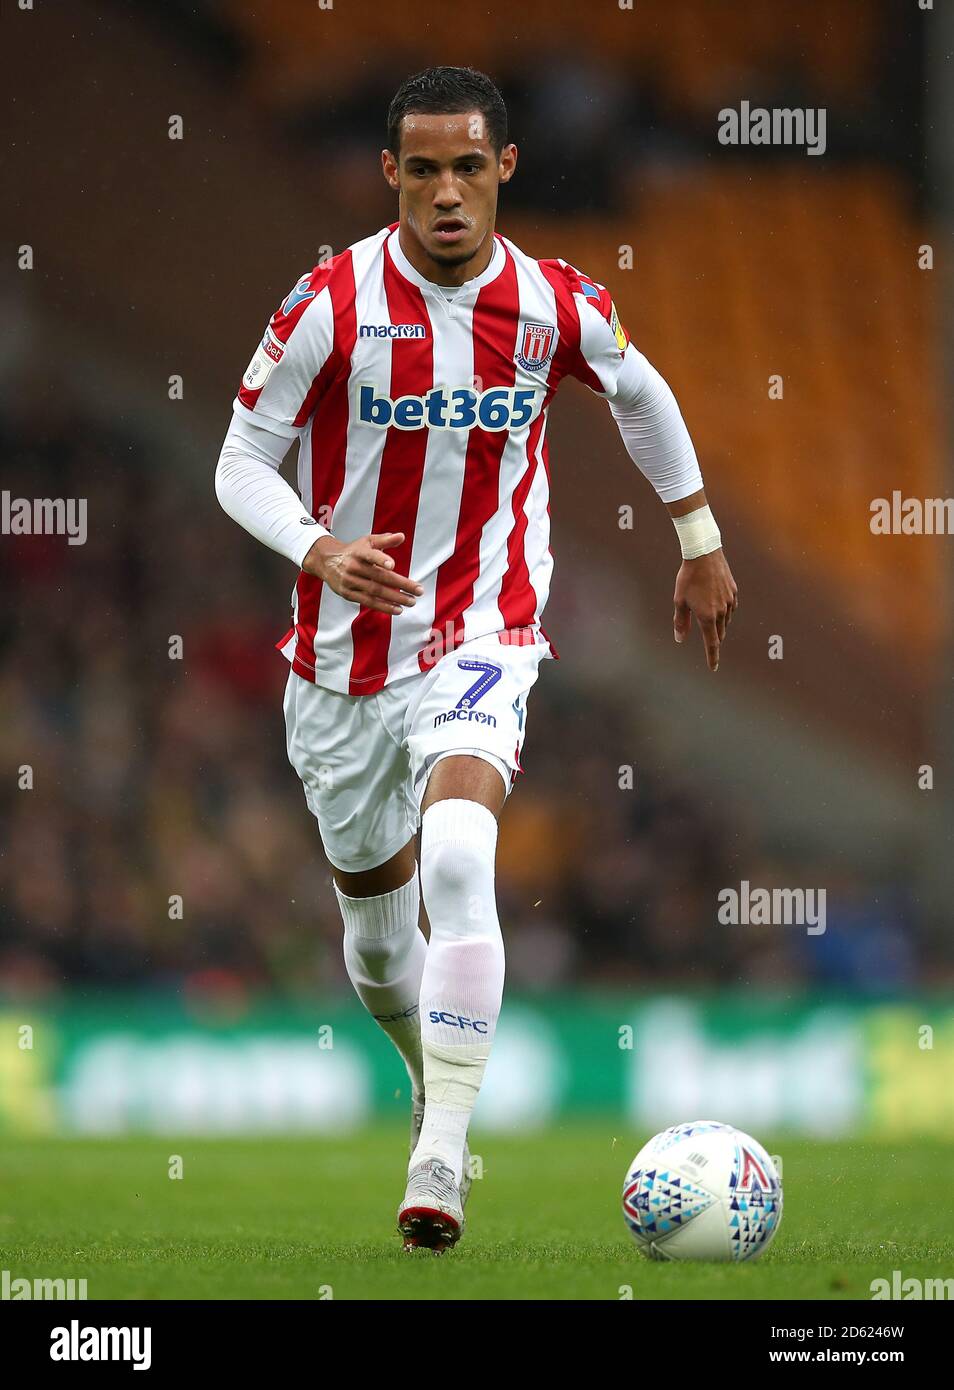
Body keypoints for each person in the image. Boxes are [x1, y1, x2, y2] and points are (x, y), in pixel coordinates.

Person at [215, 65, 738, 1253]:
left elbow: (642, 391)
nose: (446, 191)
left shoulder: (551, 304)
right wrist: (319, 546)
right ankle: (428, 1075)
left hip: (483, 630)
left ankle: (442, 1154)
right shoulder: (326, 305)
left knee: (460, 849)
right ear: (390, 174)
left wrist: (698, 536)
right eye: (423, 167)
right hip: (341, 661)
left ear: (503, 168)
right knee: (378, 943)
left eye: (468, 166)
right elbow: (236, 462)